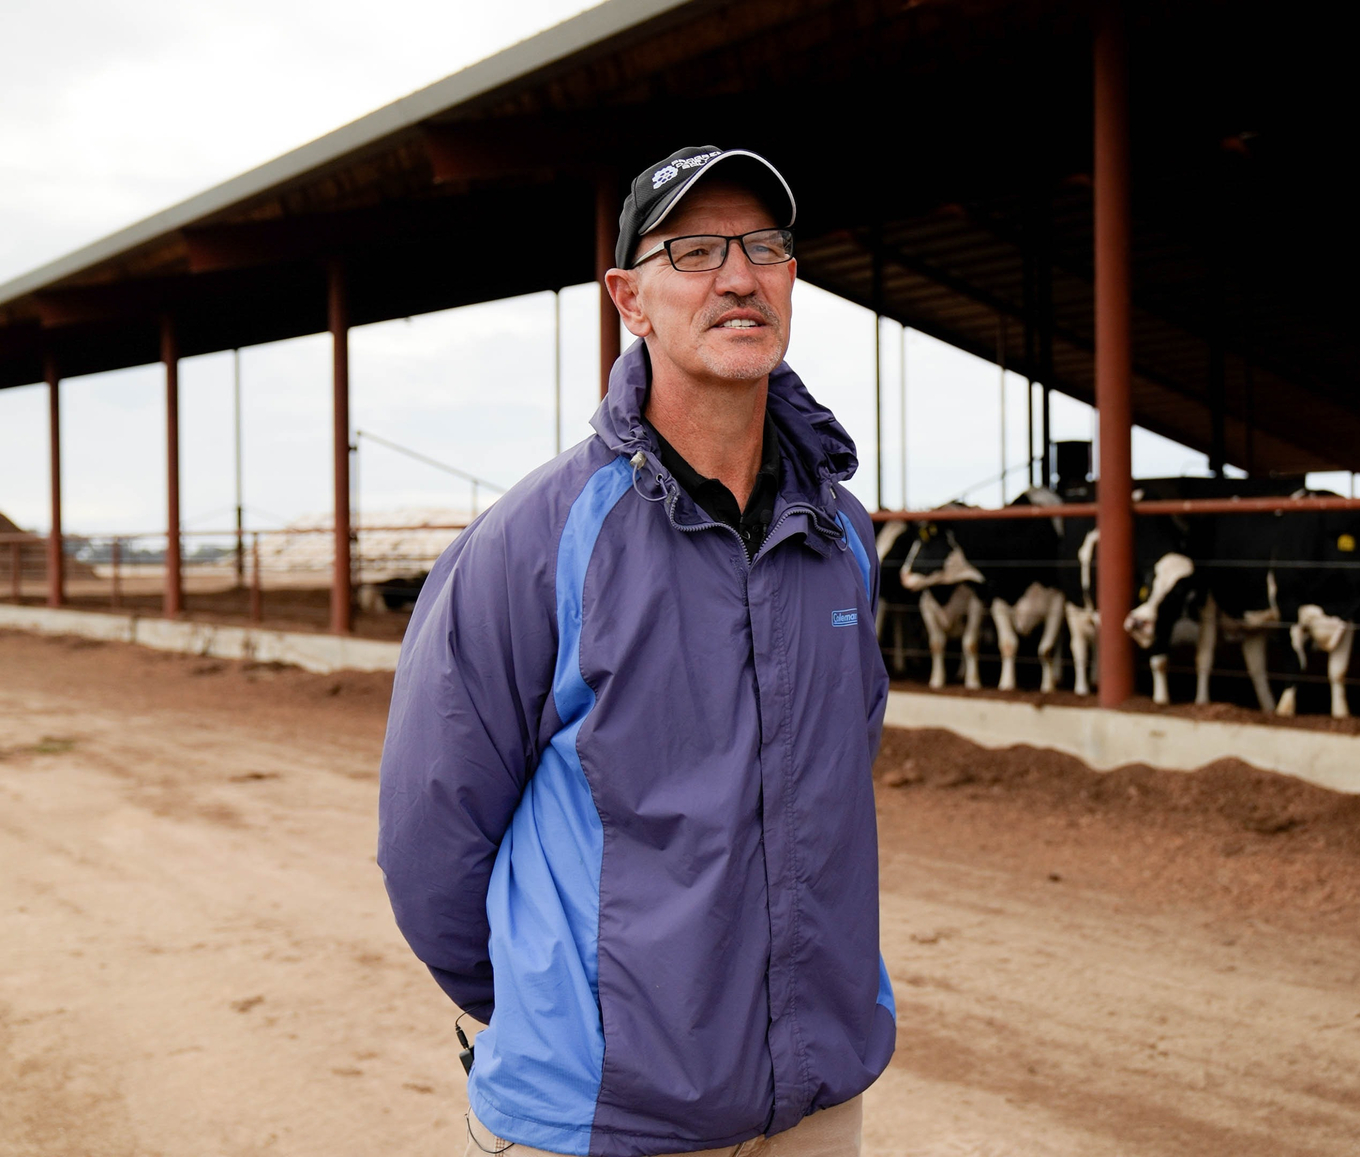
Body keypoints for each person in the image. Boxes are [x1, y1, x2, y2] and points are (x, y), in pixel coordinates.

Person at [378, 145, 895, 1157]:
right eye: (695, 250)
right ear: (630, 298)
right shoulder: (541, 536)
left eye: (765, 246)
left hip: (815, 1101)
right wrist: (558, 1009)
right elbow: (428, 834)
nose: (739, 275)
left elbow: (834, 783)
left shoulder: (841, 534)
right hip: (603, 1114)